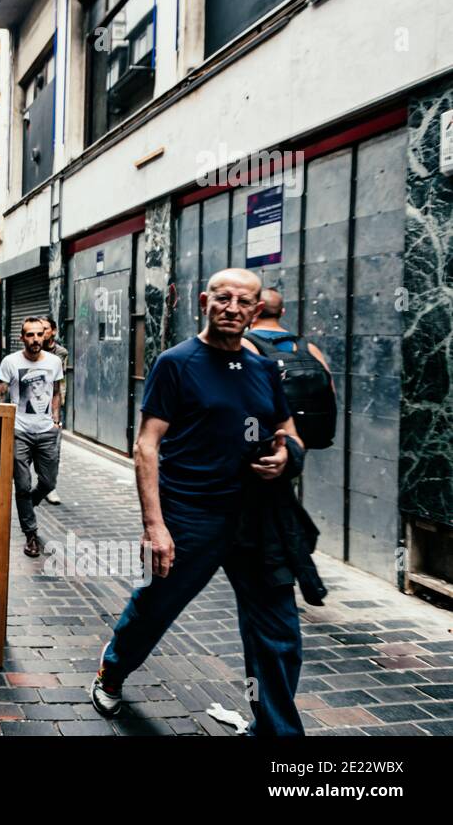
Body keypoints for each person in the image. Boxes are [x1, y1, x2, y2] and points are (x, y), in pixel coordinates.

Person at [90, 268, 320, 737]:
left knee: (277, 634)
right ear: (204, 301)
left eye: (243, 302)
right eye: (223, 298)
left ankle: (276, 733)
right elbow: (146, 446)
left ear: (257, 311)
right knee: (155, 606)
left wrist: (285, 455)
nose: (232, 308)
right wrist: (155, 526)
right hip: (191, 515)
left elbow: (289, 432)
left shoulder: (261, 368)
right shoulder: (177, 363)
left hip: (257, 521)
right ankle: (111, 671)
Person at [0, 318, 63, 558]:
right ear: (22, 337)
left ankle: (28, 505)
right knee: (22, 486)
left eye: (38, 335)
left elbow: (56, 392)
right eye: (30, 335)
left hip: (46, 431)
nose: (35, 339)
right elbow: (1, 393)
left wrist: (56, 420)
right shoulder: (10, 362)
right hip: (19, 432)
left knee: (48, 483)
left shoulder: (55, 362)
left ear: (44, 336)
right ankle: (31, 534)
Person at [240, 288, 337, 449]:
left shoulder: (246, 345)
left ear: (254, 310)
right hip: (306, 439)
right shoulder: (309, 348)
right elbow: (330, 391)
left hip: (266, 441)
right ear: (282, 312)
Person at [40, 316, 68, 506]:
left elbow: (56, 383)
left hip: (53, 404)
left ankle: (50, 487)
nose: (41, 333)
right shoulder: (29, 349)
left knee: (53, 450)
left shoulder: (60, 353)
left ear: (54, 331)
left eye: (45, 329)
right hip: (31, 406)